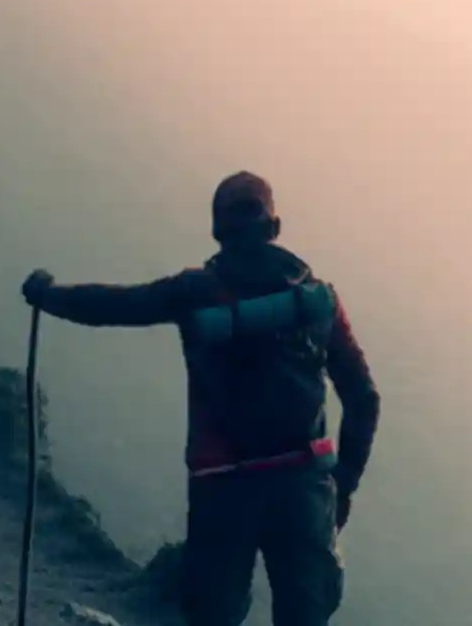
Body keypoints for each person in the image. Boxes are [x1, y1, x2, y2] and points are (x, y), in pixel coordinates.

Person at [21, 171, 380, 626]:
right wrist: (342, 486)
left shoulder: (197, 292)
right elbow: (364, 399)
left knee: (214, 614)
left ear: (217, 230)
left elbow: (114, 306)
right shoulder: (318, 302)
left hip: (223, 486)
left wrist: (46, 295)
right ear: (275, 227)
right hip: (303, 488)